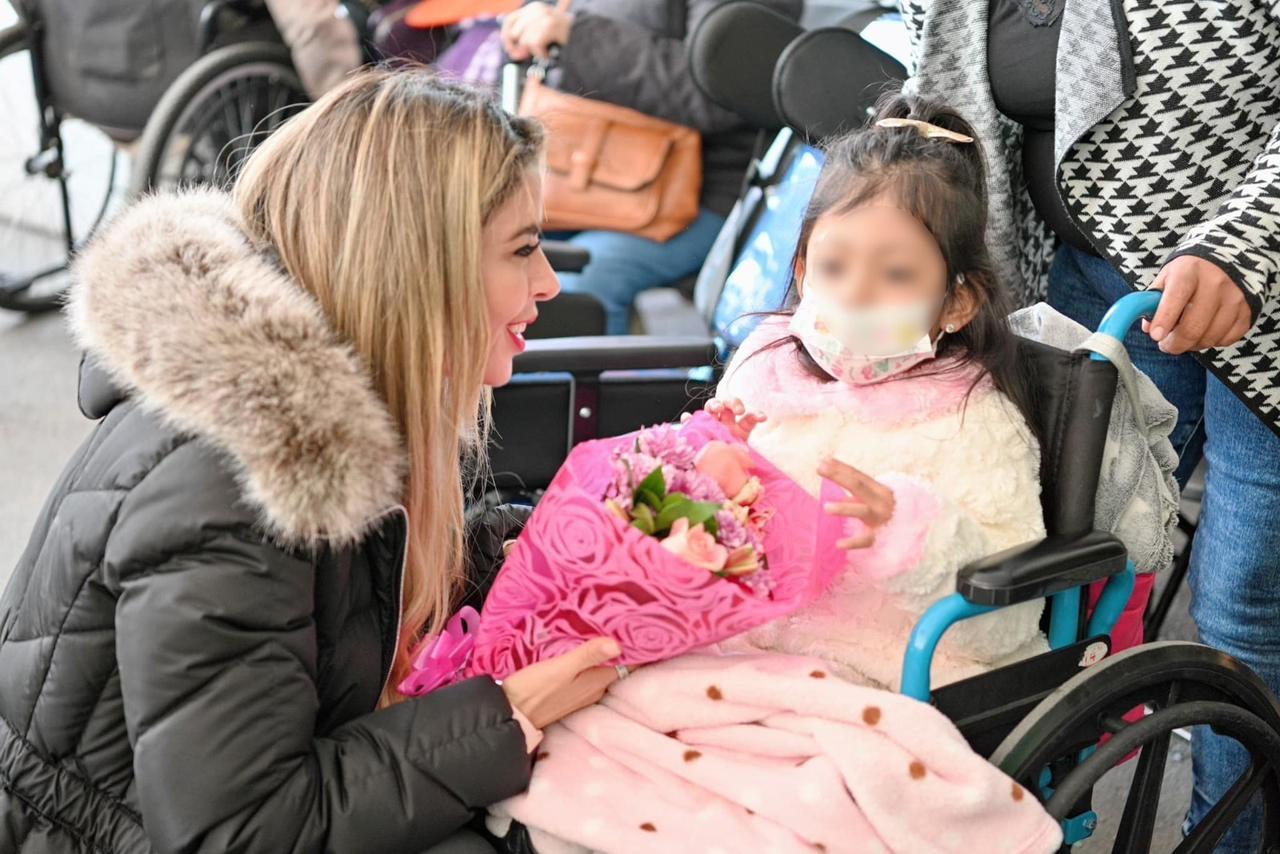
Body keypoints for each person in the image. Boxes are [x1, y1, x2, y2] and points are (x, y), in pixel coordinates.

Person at [0, 71, 625, 854]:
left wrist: (553, 549)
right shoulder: (232, 485)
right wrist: (506, 716)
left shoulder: (324, 407)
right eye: (522, 249)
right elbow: (239, 833)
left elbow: (354, 592)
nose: (549, 283)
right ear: (415, 265)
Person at [898, 1, 1280, 847]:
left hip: (1260, 275)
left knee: (1246, 603)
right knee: (1038, 564)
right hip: (1093, 271)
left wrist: (1248, 249)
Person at [710, 96, 1049, 689]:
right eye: (834, 266)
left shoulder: (971, 418)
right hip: (741, 649)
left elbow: (1007, 622)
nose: (855, 295)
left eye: (895, 274)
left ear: (957, 303)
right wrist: (714, 470)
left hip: (888, 673)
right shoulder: (764, 364)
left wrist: (909, 530)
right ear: (800, 270)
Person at [501, 0, 802, 334]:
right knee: (486, 250)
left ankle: (594, 383)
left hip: (699, 197)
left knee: (585, 284)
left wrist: (576, 36)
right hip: (575, 182)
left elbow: (728, 92)